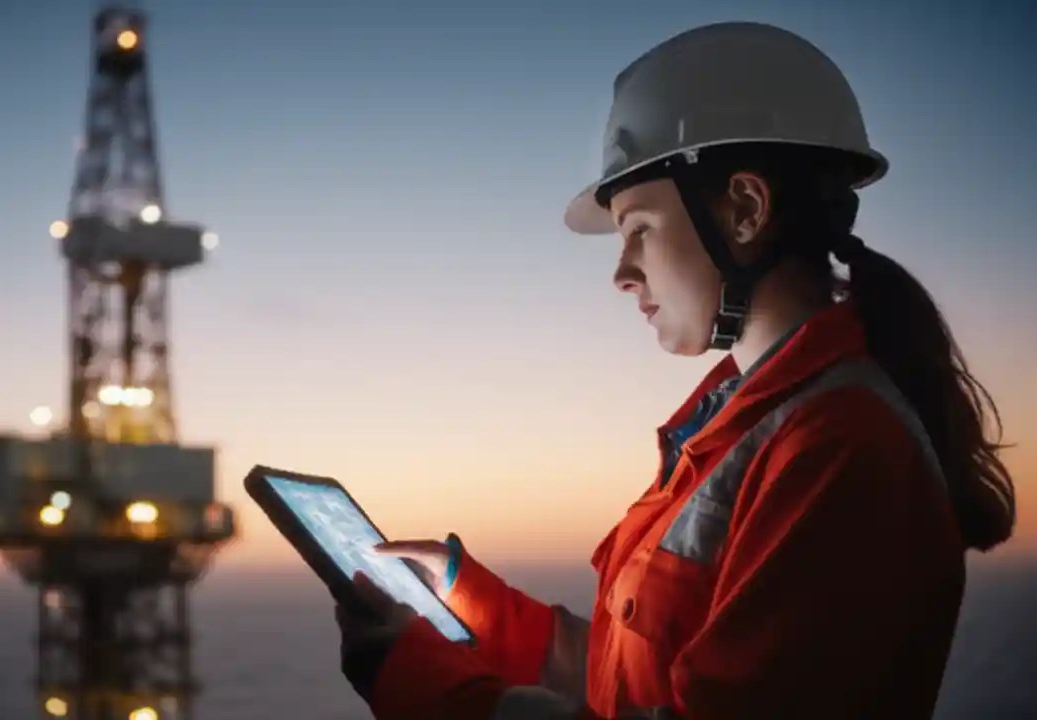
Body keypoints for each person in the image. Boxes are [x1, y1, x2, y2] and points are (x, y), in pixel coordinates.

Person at [332, 20, 1017, 720]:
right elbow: (632, 678)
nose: (622, 274)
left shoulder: (840, 447)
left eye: (639, 229)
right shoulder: (738, 428)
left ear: (745, 210)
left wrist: (423, 687)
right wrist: (463, 596)